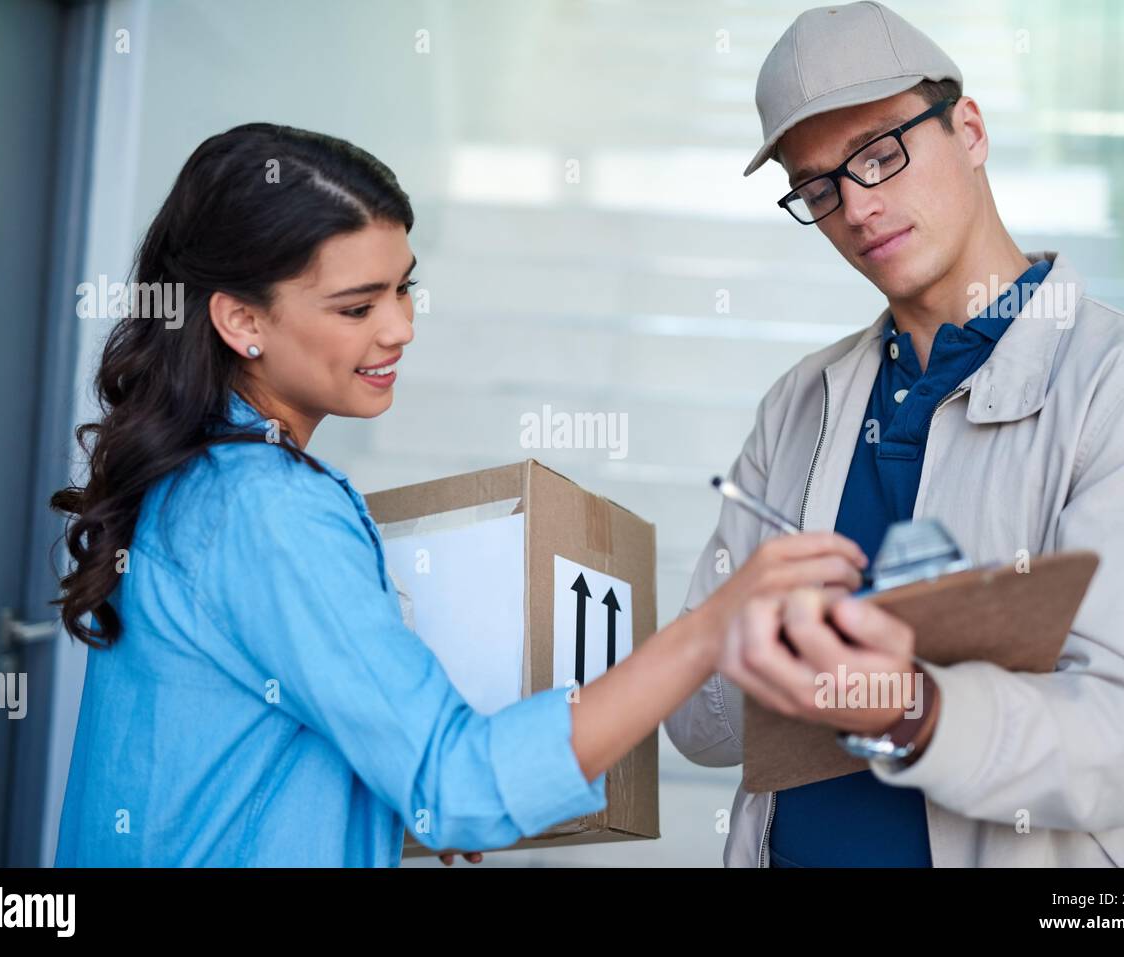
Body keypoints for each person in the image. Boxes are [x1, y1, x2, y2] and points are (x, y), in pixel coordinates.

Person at [49, 123, 869, 867]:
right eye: (357, 306)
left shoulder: (206, 480)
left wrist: (393, 801)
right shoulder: (269, 510)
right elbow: (461, 790)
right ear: (240, 321)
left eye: (403, 287)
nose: (400, 326)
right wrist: (707, 632)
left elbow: (260, 767)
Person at [665, 1, 1124, 867]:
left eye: (882, 153)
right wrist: (745, 634)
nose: (857, 205)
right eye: (819, 186)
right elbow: (700, 729)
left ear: (968, 130)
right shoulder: (800, 404)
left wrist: (909, 706)